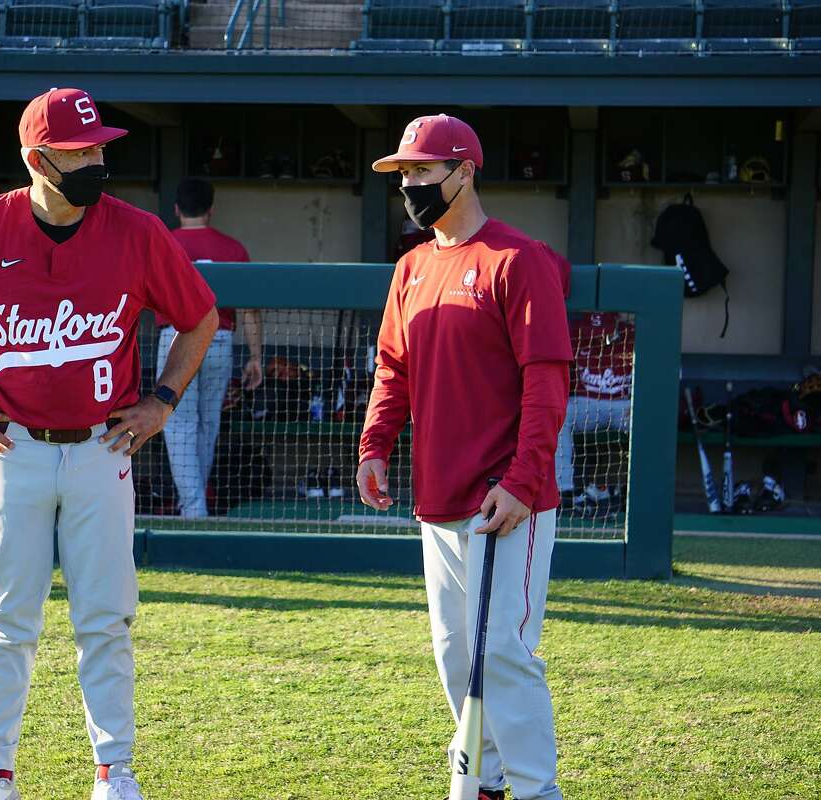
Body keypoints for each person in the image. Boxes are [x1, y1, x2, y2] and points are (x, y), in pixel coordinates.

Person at [0, 87, 218, 800]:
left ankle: (114, 770)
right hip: (13, 449)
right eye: (80, 151)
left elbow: (199, 316)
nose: (97, 159)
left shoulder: (135, 231)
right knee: (7, 619)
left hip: (105, 448)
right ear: (37, 159)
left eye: (100, 146)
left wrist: (161, 400)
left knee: (106, 617)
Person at [356, 114, 572, 800]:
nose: (411, 184)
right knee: (455, 656)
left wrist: (522, 480)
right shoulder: (412, 265)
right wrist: (375, 445)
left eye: (423, 171)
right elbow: (393, 369)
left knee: (503, 654)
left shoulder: (518, 258)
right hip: (437, 493)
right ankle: (486, 780)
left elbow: (546, 380)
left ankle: (538, 790)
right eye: (404, 174)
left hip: (506, 497)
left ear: (465, 170)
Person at [156, 178, 263, 518]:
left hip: (174, 338)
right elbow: (250, 310)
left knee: (179, 423)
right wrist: (256, 356)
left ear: (177, 208)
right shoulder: (232, 248)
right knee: (206, 423)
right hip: (220, 340)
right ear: (211, 208)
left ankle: (194, 507)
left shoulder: (164, 243)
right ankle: (196, 504)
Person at [555, 311, 635, 515]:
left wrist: (638, 403)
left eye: (604, 333)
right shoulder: (575, 333)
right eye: (595, 333)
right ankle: (564, 492)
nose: (599, 338)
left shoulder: (632, 335)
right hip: (585, 403)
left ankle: (639, 493)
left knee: (645, 420)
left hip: (622, 406)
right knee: (558, 416)